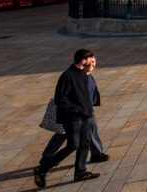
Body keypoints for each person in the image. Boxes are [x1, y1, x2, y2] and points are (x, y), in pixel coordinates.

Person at [33, 49, 100, 187]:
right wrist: (76, 109)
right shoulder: (67, 76)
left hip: (84, 115)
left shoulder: (82, 73)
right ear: (82, 61)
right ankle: (41, 169)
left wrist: (86, 110)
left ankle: (80, 172)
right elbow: (60, 99)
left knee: (85, 143)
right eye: (89, 59)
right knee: (72, 145)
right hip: (72, 118)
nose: (91, 61)